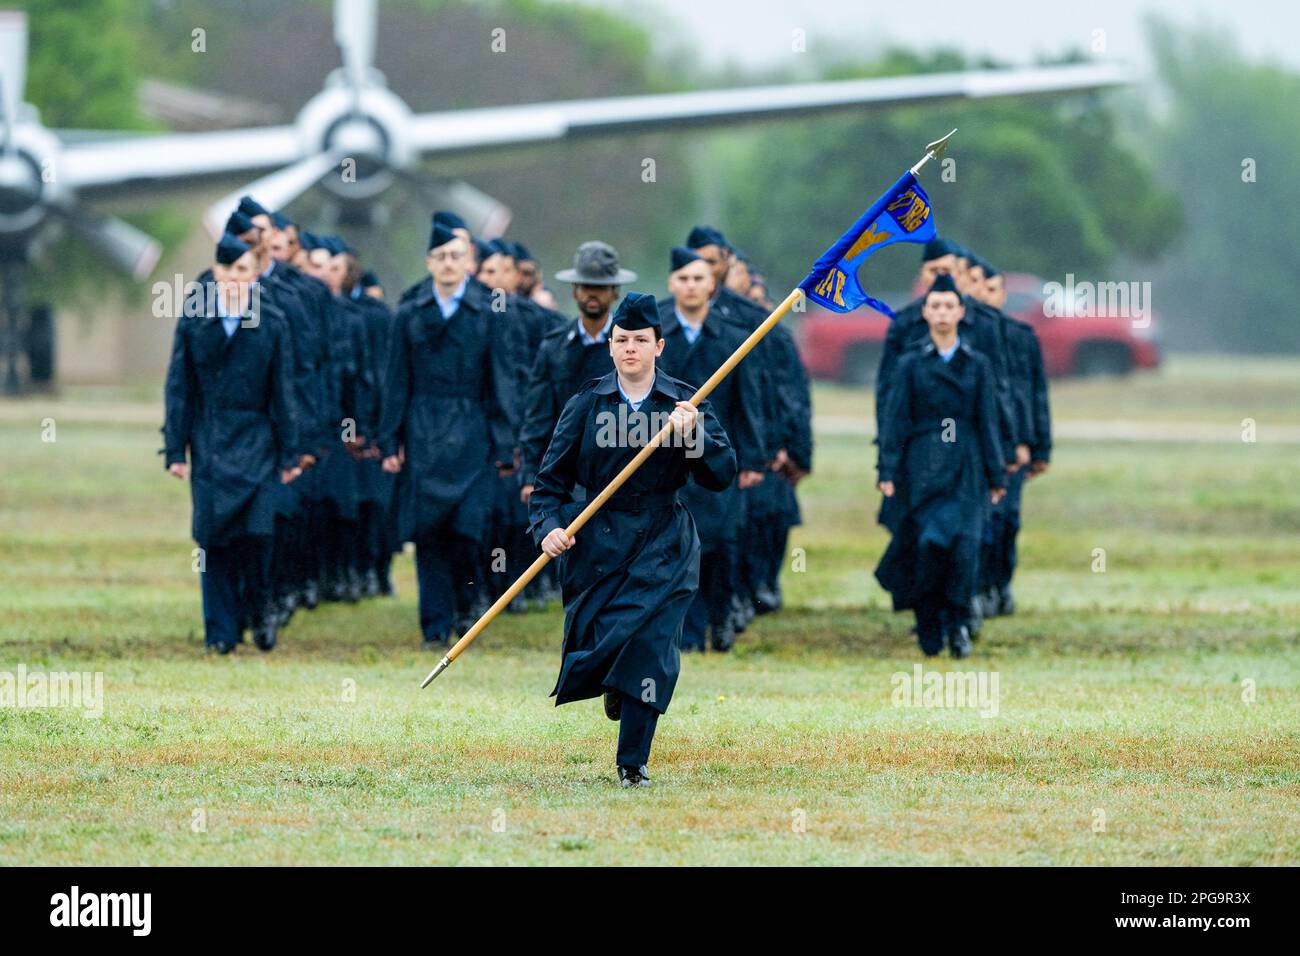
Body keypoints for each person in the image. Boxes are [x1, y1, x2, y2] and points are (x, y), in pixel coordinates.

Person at [529, 291, 737, 787]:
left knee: (651, 646)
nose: (630, 349)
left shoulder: (686, 401)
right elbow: (549, 485)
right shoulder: (587, 402)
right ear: (610, 346)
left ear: (659, 346)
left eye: (641, 340)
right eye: (621, 340)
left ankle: (632, 763)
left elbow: (723, 474)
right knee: (605, 640)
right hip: (598, 541)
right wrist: (549, 530)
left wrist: (694, 437)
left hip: (665, 542)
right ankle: (616, 684)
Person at [378, 221, 515, 648]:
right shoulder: (409, 311)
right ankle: (435, 625)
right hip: (424, 433)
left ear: (468, 261)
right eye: (440, 257)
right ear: (429, 263)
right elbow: (395, 379)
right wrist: (389, 439)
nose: (448, 264)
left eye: (456, 256)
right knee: (429, 532)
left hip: (473, 431)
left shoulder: (490, 309)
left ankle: (469, 607)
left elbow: (502, 381)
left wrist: (506, 441)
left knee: (469, 528)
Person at [161, 234, 300, 654]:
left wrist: (291, 450)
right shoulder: (194, 319)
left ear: (255, 273)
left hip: (258, 440)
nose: (234, 278)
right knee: (214, 537)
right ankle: (220, 632)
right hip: (210, 439)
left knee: (257, 535)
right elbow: (179, 387)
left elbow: (284, 391)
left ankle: (258, 610)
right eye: (227, 270)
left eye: (243, 270)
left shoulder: (272, 320)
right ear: (216, 271)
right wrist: (174, 448)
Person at [874, 275, 1006, 658]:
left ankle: (960, 623)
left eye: (950, 305)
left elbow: (988, 421)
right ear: (925, 312)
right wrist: (887, 470)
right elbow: (895, 420)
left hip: (967, 468)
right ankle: (929, 620)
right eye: (936, 306)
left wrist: (996, 474)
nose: (943, 312)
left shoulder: (977, 364)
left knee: (965, 550)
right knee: (929, 546)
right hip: (923, 468)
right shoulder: (910, 364)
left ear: (962, 312)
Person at [656, 246, 766, 651]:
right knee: (680, 542)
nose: (691, 286)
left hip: (721, 450)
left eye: (699, 279)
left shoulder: (734, 338)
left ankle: (721, 618)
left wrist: (753, 457)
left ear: (712, 284)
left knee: (722, 540)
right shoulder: (657, 336)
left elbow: (749, 400)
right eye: (683, 279)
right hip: (668, 452)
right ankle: (686, 628)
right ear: (672, 284)